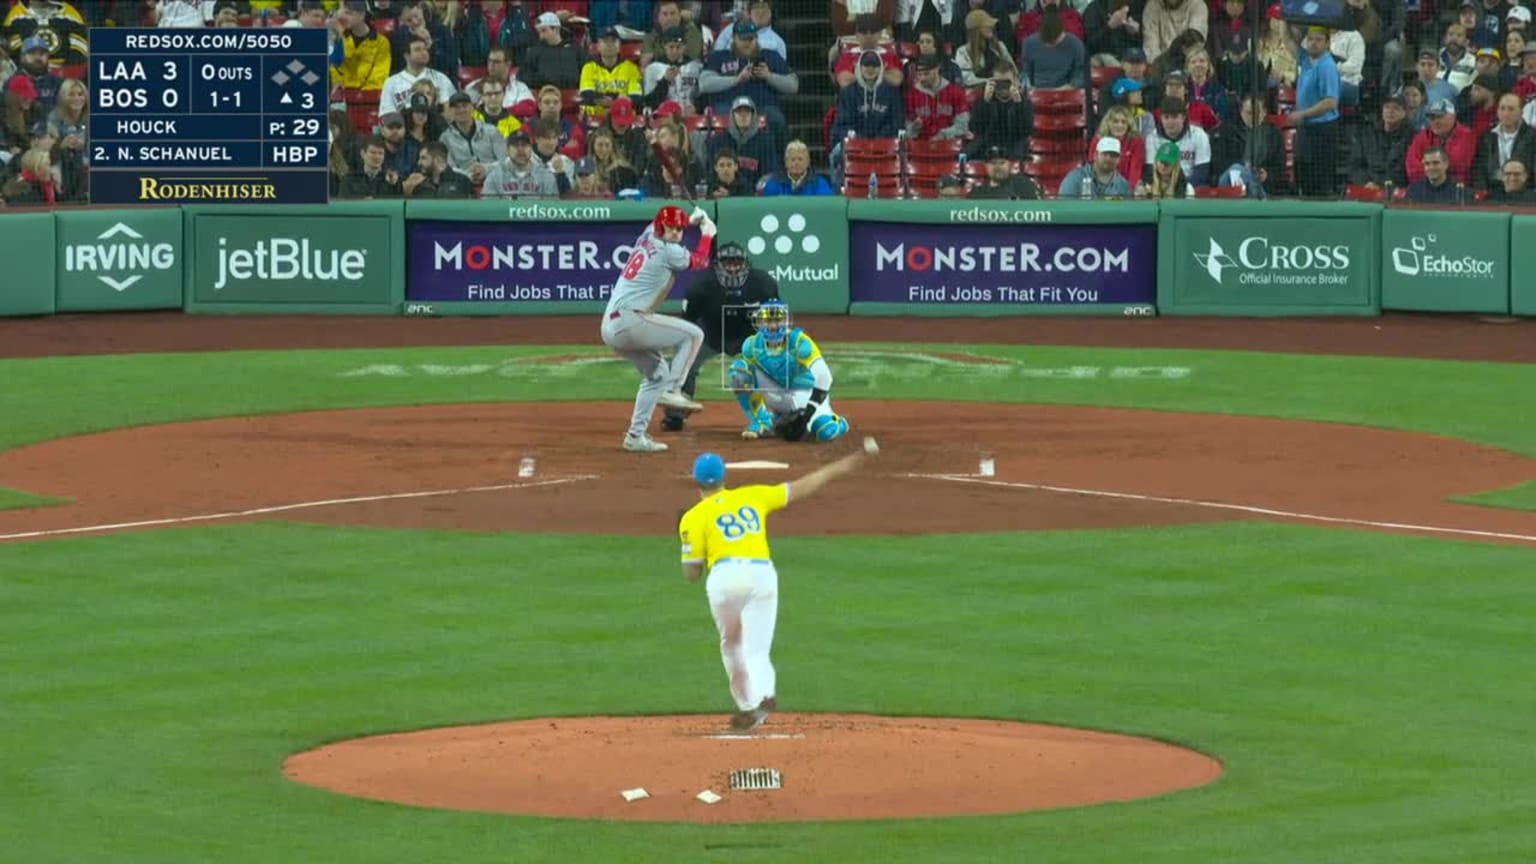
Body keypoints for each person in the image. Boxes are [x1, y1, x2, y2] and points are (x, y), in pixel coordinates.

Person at [678, 441, 878, 731]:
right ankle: (764, 694)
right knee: (757, 650)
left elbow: (692, 573)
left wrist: (688, 545)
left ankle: (747, 705)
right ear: (724, 477)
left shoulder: (693, 517)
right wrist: (841, 466)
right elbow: (801, 487)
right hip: (761, 575)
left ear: (696, 481)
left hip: (724, 578)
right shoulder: (752, 495)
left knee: (731, 646)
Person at [601, 205, 717, 453]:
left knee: (657, 374)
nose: (675, 233)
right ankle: (673, 390)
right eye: (670, 228)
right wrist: (707, 233)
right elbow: (700, 261)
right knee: (694, 335)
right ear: (660, 226)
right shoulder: (667, 251)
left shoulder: (646, 235)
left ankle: (635, 436)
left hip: (612, 326)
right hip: (630, 320)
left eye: (679, 229)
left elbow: (673, 229)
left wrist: (693, 220)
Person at [661, 242, 781, 432]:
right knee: (682, 364)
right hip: (710, 335)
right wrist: (685, 350)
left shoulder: (764, 283)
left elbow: (776, 317)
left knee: (780, 363)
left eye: (737, 263)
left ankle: (783, 413)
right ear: (717, 265)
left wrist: (772, 346)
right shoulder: (700, 286)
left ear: (746, 264)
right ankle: (675, 414)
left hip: (750, 337)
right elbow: (688, 322)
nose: (733, 268)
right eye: (727, 263)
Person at [729, 299, 850, 442]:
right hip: (777, 392)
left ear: (786, 321)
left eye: (778, 320)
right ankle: (762, 422)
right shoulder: (751, 345)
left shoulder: (800, 343)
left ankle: (839, 423)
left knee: (825, 431)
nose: (773, 326)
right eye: (768, 320)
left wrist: (807, 414)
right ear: (760, 322)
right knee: (739, 372)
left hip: (806, 395)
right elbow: (750, 378)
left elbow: (825, 377)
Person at [1059, 136, 1134, 197]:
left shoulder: (1124, 186)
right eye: (1105, 154)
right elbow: (1065, 208)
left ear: (1119, 159)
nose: (1108, 158)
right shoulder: (1074, 179)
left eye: (1113, 155)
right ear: (1095, 155)